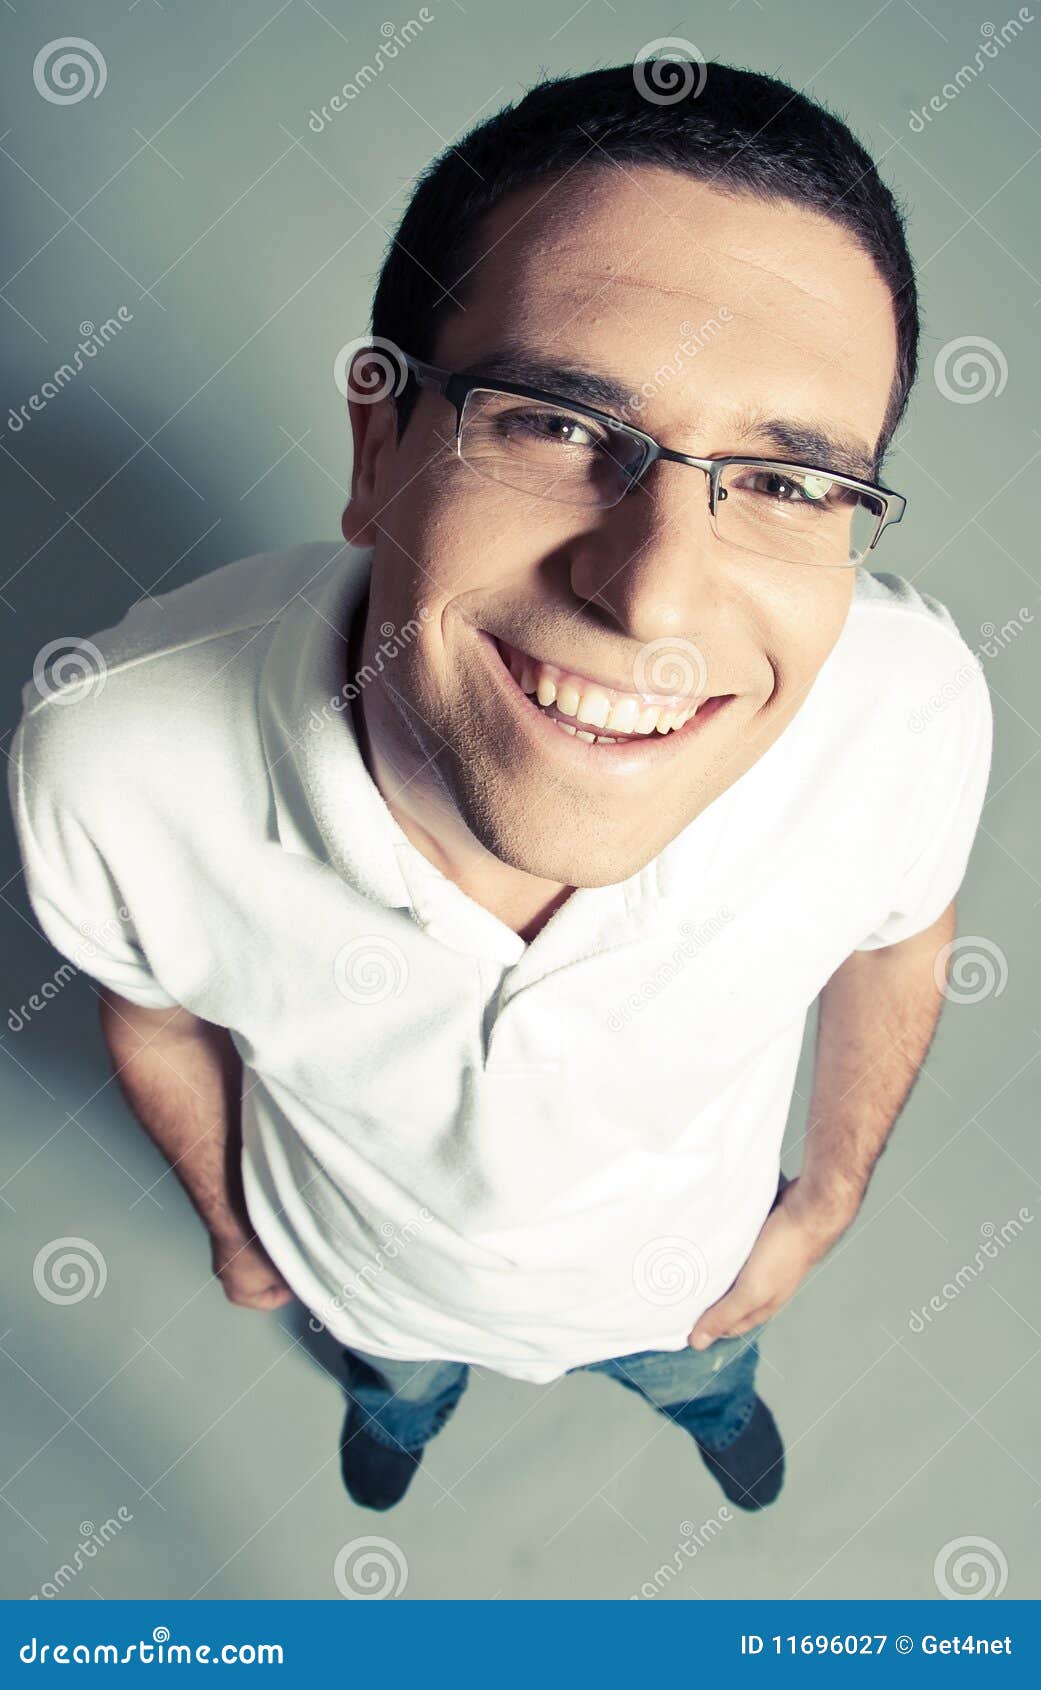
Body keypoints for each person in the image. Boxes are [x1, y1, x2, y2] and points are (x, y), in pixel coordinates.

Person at [9, 60, 993, 1518]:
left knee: (707, 1375)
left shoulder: (907, 713)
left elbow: (903, 938)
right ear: (379, 442)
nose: (654, 597)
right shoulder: (109, 754)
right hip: (364, 1290)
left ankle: (707, 1400)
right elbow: (149, 1007)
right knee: (388, 1389)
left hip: (687, 1288)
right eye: (556, 423)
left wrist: (825, 1196)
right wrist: (236, 1229)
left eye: (785, 484)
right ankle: (396, 1409)